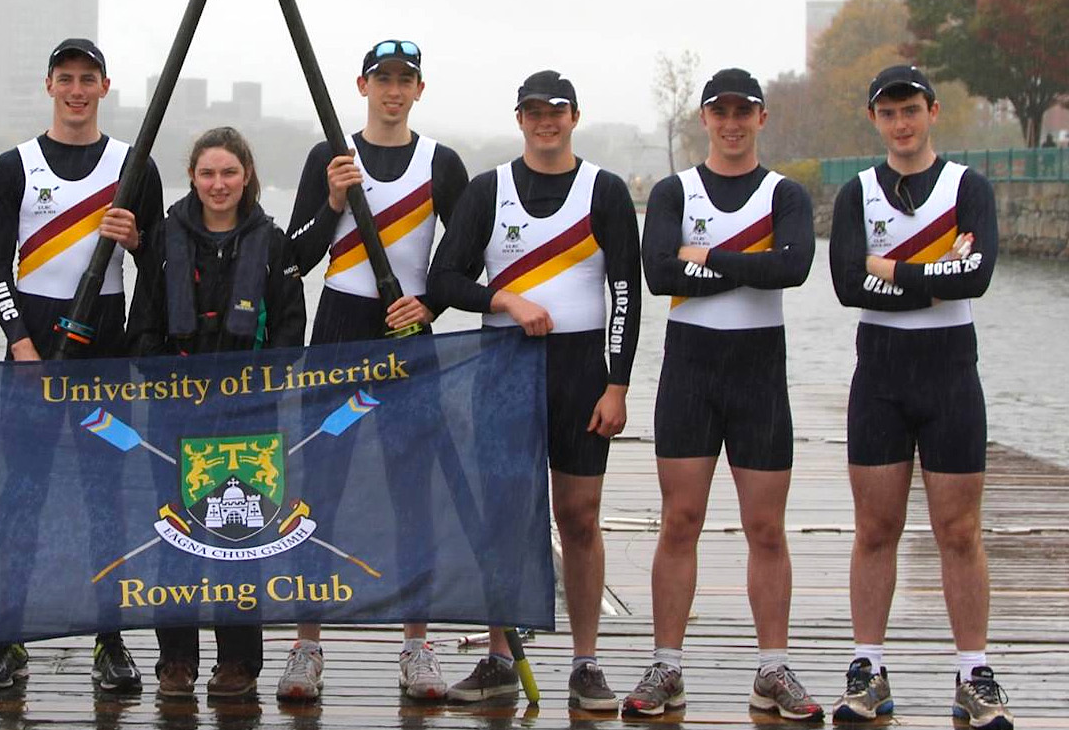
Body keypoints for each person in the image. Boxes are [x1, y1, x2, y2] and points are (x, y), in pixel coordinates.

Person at [427, 69, 639, 710]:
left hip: (581, 373)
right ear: (519, 119)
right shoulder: (488, 190)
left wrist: (618, 384)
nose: (547, 122)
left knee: (578, 518)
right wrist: (505, 299)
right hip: (504, 366)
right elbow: (443, 282)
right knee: (507, 521)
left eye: (558, 111)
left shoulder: (604, 190)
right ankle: (497, 657)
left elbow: (626, 293)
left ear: (575, 116)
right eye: (534, 112)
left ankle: (585, 661)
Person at [275, 38, 470, 702]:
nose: (392, 89)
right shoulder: (329, 156)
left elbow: (464, 259)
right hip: (338, 327)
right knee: (318, 489)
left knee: (411, 487)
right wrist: (332, 202)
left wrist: (434, 302)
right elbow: (293, 261)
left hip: (405, 331)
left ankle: (417, 643)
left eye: (404, 80)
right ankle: (307, 645)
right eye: (382, 78)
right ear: (361, 84)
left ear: (419, 89)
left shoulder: (441, 163)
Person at [0, 37, 163, 695]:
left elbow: (157, 272)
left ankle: (110, 638)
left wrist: (137, 242)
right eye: (66, 78)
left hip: (101, 345)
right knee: (21, 494)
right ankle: (6, 636)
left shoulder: (132, 165)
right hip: (30, 348)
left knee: (103, 496)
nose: (77, 90)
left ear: (105, 87)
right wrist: (20, 344)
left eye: (89, 79)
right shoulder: (13, 166)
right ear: (48, 85)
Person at [626, 68, 821, 720]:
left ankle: (773, 668)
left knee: (766, 525)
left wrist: (705, 256)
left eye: (744, 111)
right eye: (721, 112)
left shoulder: (784, 193)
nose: (732, 122)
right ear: (703, 119)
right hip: (691, 367)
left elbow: (791, 267)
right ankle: (666, 665)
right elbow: (658, 272)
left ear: (761, 118)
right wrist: (747, 260)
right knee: (680, 520)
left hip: (758, 369)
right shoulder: (674, 190)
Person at [827, 65, 1009, 728]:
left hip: (950, 369)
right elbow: (847, 282)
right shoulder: (857, 194)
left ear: (932, 111)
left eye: (911, 110)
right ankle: (868, 666)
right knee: (877, 528)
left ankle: (974, 673)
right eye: (888, 113)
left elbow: (977, 274)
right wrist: (933, 277)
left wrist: (890, 268)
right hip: (879, 370)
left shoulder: (969, 188)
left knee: (958, 530)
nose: (901, 124)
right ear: (875, 120)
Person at [127, 126, 307, 700]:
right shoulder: (163, 237)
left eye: (229, 172)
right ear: (193, 178)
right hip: (176, 415)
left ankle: (239, 662)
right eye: (208, 173)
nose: (218, 184)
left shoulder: (273, 243)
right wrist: (172, 386)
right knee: (174, 538)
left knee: (240, 539)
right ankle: (175, 659)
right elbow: (144, 329)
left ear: (247, 175)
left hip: (248, 418)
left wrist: (256, 388)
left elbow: (288, 330)